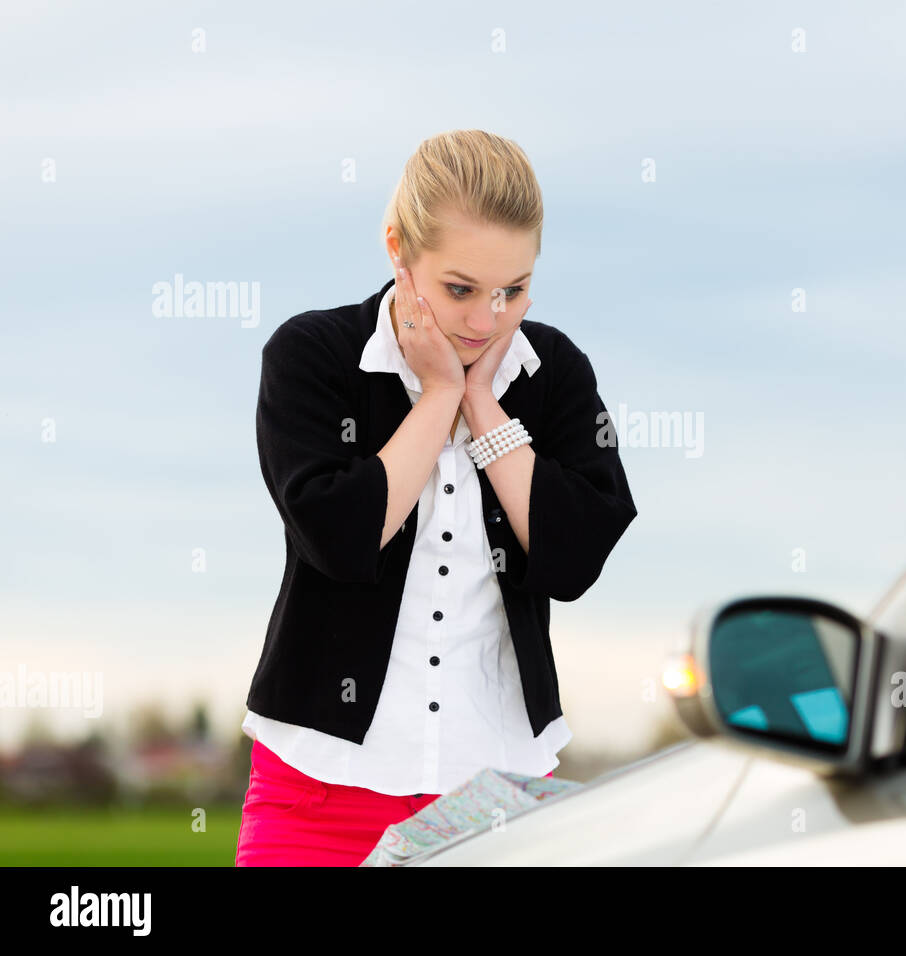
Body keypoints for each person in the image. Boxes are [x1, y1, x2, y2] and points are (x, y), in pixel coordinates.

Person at [235, 129, 638, 866]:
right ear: (398, 249)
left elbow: (574, 555)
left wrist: (483, 406)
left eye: (512, 290)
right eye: (460, 289)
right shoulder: (311, 356)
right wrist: (437, 400)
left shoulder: (555, 373)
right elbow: (341, 540)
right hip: (318, 788)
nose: (486, 321)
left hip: (501, 800)